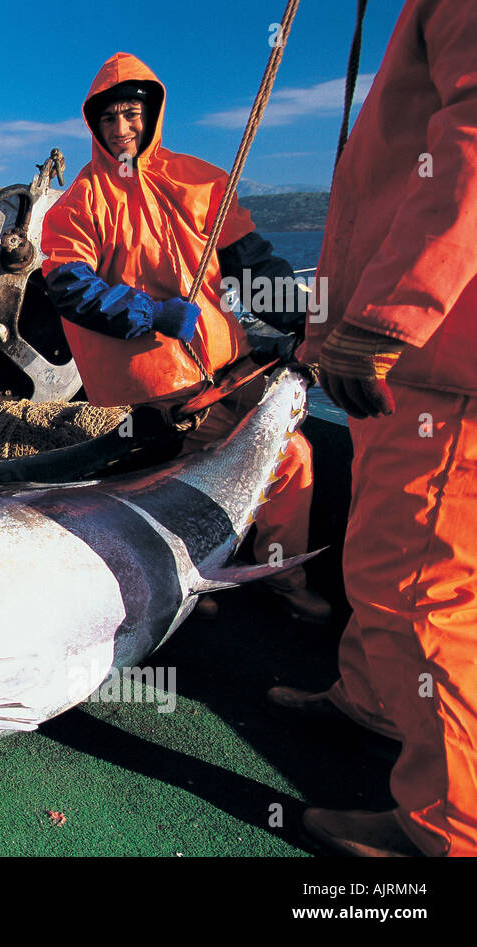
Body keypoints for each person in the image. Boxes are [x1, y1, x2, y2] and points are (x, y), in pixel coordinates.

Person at [269, 0, 477, 857]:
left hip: (440, 355)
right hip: (407, 370)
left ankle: (448, 828)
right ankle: (375, 699)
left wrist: (389, 317)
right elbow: (376, 194)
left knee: (427, 592)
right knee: (378, 551)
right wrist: (326, 333)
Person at [38, 53, 329, 622]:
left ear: (153, 113)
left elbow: (256, 271)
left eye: (132, 114)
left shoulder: (203, 180)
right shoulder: (77, 204)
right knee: (258, 461)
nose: (123, 130)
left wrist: (316, 326)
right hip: (157, 394)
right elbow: (70, 287)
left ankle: (265, 574)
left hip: (227, 371)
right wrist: (148, 314)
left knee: (289, 452)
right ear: (92, 126)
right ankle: (216, 581)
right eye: (109, 119)